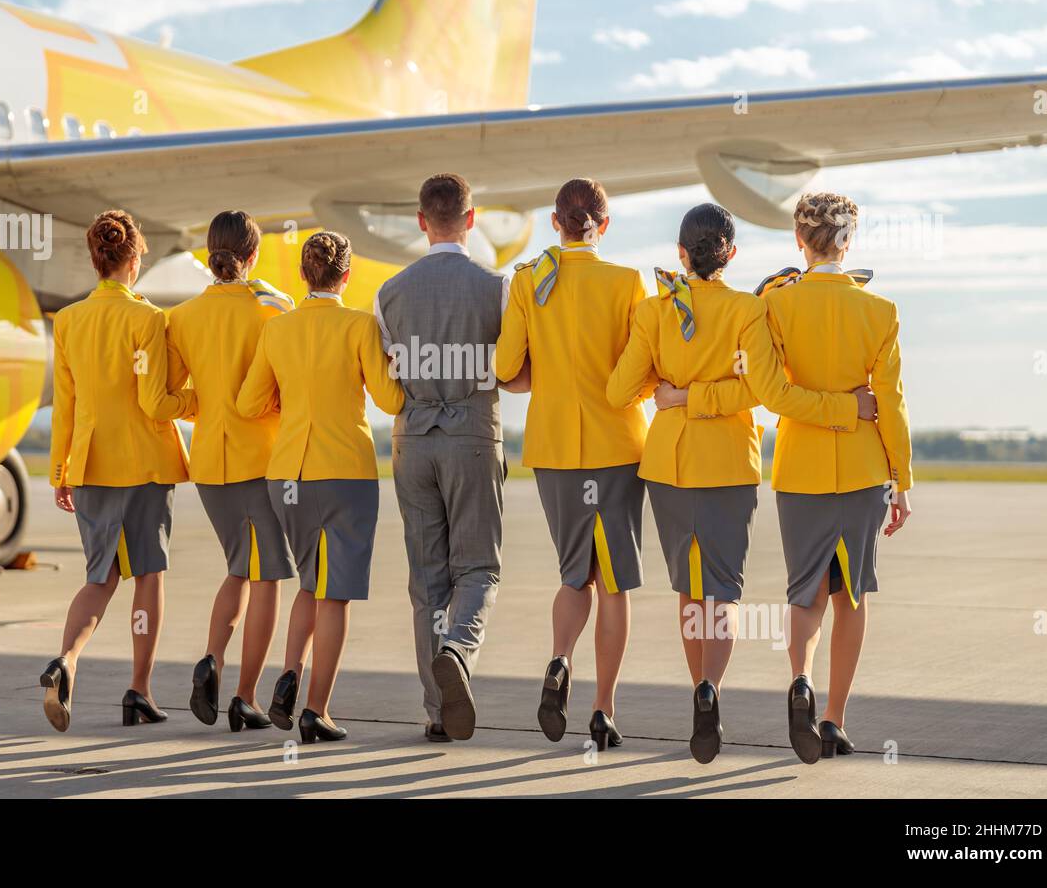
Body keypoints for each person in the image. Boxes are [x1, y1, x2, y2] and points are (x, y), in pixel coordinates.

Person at [606, 202, 876, 763]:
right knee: (724, 589)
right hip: (729, 463)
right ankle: (715, 685)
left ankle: (704, 691)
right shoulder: (748, 311)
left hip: (669, 465)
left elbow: (618, 393)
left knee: (689, 589)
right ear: (732, 255)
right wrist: (712, 393)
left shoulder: (656, 312)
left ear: (681, 253)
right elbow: (759, 391)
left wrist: (674, 391)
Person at [684, 192, 912, 762]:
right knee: (852, 597)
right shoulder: (880, 311)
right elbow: (892, 403)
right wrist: (901, 480)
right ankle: (833, 717)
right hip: (862, 471)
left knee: (805, 592)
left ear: (799, 241)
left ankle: (801, 680)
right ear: (848, 241)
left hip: (799, 471)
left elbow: (771, 394)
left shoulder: (773, 306)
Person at [373, 173, 530, 743]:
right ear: (472, 218)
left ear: (421, 221)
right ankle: (459, 650)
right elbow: (512, 371)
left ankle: (438, 710)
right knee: (479, 568)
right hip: (471, 438)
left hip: (412, 442)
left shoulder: (388, 292)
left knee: (427, 579)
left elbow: (390, 374)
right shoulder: (498, 287)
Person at [494, 178, 648, 753]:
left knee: (572, 574)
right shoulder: (628, 282)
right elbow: (640, 369)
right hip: (615, 447)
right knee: (614, 584)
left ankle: (560, 659)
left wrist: (549, 373)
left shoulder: (528, 280)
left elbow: (506, 368)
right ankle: (603, 709)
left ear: (555, 223)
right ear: (602, 225)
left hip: (556, 448)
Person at [237, 231, 404, 743]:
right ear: (346, 275)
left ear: (303, 277)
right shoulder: (359, 325)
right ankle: (316, 709)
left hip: (286, 473)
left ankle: (290, 671)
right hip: (343, 472)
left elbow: (248, 404)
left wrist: (291, 409)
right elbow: (391, 401)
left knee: (310, 581)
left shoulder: (279, 330)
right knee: (336, 595)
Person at [41, 210, 196, 731]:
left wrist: (61, 470)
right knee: (148, 576)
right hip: (143, 466)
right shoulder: (149, 320)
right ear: (133, 261)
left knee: (100, 577)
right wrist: (194, 399)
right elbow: (155, 403)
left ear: (95, 260)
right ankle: (140, 690)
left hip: (88, 465)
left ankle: (67, 659)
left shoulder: (67, 321)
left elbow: (66, 404)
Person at [166, 211, 297, 732]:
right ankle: (245, 697)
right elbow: (283, 390)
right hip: (259, 460)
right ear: (253, 256)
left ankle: (212, 659)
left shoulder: (181, 317)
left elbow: (168, 396)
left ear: (207, 252)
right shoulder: (272, 311)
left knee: (239, 568)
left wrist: (208, 406)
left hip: (208, 464)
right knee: (268, 577)